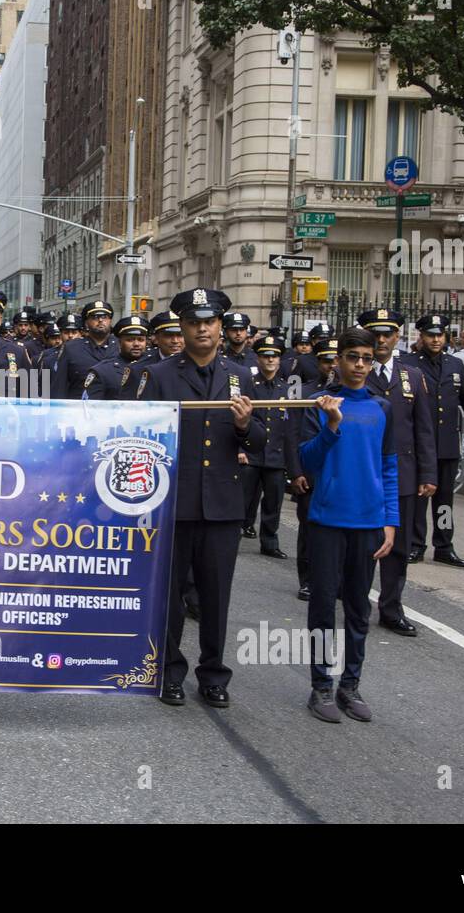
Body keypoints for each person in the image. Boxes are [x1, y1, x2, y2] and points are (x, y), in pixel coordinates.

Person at [138, 288, 263, 709]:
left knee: (215, 597)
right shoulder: (160, 375)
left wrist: (245, 426)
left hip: (223, 505)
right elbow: (139, 437)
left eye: (209, 322)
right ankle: (168, 671)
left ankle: (213, 674)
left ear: (220, 327)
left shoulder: (240, 375)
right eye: (194, 322)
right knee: (170, 596)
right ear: (183, 327)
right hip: (175, 502)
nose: (202, 329)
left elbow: (263, 439)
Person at [295, 327, 398, 723]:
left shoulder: (382, 407)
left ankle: (349, 686)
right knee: (323, 605)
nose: (359, 366)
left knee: (358, 608)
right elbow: (308, 460)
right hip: (325, 520)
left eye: (366, 359)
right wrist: (332, 424)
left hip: (368, 521)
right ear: (338, 360)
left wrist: (391, 520)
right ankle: (320, 686)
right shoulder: (318, 403)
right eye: (352, 357)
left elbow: (390, 466)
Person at [360, 308, 436, 637]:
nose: (381, 340)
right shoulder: (355, 371)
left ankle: (391, 608)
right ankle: (357, 604)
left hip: (402, 474)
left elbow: (424, 430)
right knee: (362, 544)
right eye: (375, 334)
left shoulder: (412, 376)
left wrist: (428, 474)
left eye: (387, 334)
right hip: (363, 471)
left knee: (399, 547)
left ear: (396, 337)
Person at [407, 313, 464, 566]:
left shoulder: (455, 364)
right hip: (420, 445)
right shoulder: (410, 363)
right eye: (431, 335)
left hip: (447, 445)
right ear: (422, 336)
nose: (436, 340)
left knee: (445, 501)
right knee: (419, 499)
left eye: (440, 335)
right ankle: (416, 543)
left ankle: (444, 545)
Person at [284, 338, 339, 601]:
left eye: (335, 360)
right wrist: (295, 472)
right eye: (327, 360)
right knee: (309, 531)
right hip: (311, 474)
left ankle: (336, 580)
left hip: (339, 476)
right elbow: (292, 435)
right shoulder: (304, 393)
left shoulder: (351, 394)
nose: (331, 366)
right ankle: (307, 580)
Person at [238, 334, 289, 556]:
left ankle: (270, 542)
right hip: (251, 454)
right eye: (265, 356)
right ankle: (235, 535)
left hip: (276, 455)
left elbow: (290, 426)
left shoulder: (285, 388)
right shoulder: (249, 385)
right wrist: (240, 450)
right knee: (243, 500)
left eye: (274, 356)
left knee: (273, 503)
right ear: (258, 359)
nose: (270, 360)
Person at [51, 301, 119, 398]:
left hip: (115, 409)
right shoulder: (71, 348)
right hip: (79, 409)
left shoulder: (120, 347)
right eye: (95, 317)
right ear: (86, 322)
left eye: (104, 317)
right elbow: (59, 386)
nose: (100, 320)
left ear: (110, 320)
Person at [83, 316, 149, 400]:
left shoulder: (155, 367)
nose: (136, 344)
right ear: (119, 342)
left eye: (141, 340)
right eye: (130, 340)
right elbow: (91, 407)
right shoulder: (102, 371)